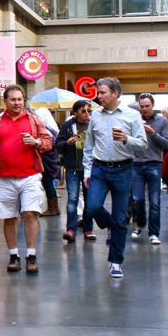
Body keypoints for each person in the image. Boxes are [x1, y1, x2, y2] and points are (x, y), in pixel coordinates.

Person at [0, 85, 53, 274]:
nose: (17, 103)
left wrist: (36, 142)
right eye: (13, 99)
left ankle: (31, 255)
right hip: (4, 178)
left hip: (29, 175)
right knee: (9, 216)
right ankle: (14, 255)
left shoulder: (34, 121)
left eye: (20, 99)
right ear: (5, 101)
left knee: (30, 213)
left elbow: (48, 141)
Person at [82, 77, 146, 279]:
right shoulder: (95, 116)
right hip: (99, 168)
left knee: (121, 218)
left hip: (123, 168)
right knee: (92, 207)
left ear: (115, 94)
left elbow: (143, 143)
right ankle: (108, 225)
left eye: (102, 93)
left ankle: (116, 261)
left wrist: (127, 139)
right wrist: (87, 171)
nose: (98, 96)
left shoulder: (132, 115)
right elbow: (89, 146)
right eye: (98, 93)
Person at [130, 93, 168, 244]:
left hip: (154, 163)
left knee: (155, 201)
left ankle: (154, 232)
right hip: (136, 164)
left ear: (153, 106)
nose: (145, 109)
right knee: (137, 199)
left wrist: (153, 133)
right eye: (142, 106)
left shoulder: (162, 121)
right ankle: (140, 224)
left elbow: (166, 144)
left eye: (147, 106)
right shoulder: (134, 120)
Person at [57, 100, 96, 242]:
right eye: (83, 111)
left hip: (90, 168)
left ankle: (88, 228)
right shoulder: (68, 125)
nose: (87, 114)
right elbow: (58, 145)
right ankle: (71, 229)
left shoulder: (93, 124)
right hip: (73, 167)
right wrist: (67, 143)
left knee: (89, 200)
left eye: (88, 111)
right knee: (72, 199)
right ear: (75, 113)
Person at [34, 107, 61, 217]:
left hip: (47, 162)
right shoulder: (52, 129)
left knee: (48, 183)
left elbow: (50, 145)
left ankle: (52, 208)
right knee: (48, 184)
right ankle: (53, 207)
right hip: (51, 161)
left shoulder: (47, 131)